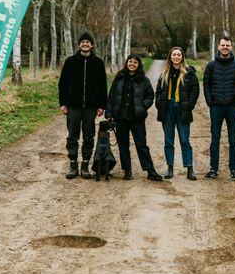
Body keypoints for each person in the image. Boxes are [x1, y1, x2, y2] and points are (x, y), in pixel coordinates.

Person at [105, 54, 163, 182]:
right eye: (130, 61)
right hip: (120, 118)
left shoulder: (144, 80)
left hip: (137, 118)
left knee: (141, 144)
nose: (132, 64)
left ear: (138, 65)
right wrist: (109, 114)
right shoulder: (119, 77)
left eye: (135, 62)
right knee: (123, 145)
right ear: (127, 63)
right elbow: (111, 96)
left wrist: (143, 106)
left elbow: (150, 96)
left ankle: (150, 171)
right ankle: (127, 171)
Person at [58, 32, 107, 180]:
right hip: (73, 106)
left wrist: (101, 106)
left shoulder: (98, 62)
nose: (85, 44)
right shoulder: (70, 61)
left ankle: (85, 165)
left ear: (92, 45)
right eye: (83, 42)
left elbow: (103, 85)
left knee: (88, 136)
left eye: (88, 42)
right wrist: (63, 103)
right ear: (79, 45)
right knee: (72, 136)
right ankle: (73, 165)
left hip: (91, 107)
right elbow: (62, 84)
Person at [203, 36, 235, 180]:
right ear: (218, 47)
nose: (225, 47)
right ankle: (213, 169)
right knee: (215, 139)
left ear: (231, 47)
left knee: (233, 140)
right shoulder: (211, 66)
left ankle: (233, 170)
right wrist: (210, 102)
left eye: (228, 45)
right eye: (223, 45)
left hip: (232, 108)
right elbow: (206, 85)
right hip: (216, 108)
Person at [155, 47, 200, 180]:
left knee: (185, 140)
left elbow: (195, 91)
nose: (176, 56)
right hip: (167, 110)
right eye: (173, 54)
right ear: (170, 57)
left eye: (178, 54)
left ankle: (189, 168)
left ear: (182, 57)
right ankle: (170, 168)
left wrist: (189, 105)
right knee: (168, 141)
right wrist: (159, 104)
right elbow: (158, 91)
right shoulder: (164, 73)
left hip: (183, 110)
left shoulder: (189, 73)